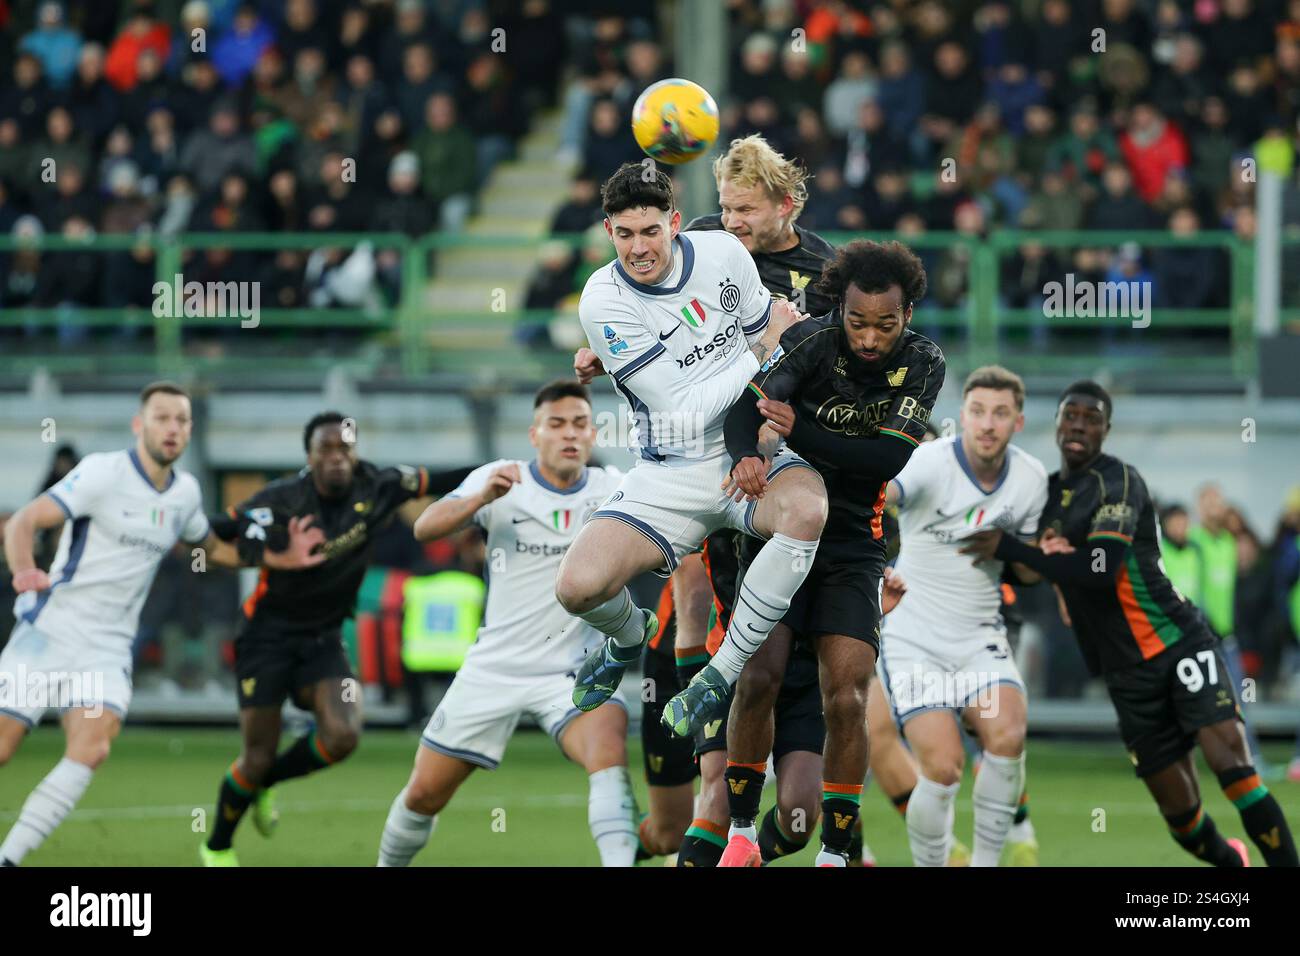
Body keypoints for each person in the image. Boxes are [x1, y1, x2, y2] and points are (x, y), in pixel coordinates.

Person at [962, 382, 1298, 867]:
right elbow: (1028, 573)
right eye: (1070, 415)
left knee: (1234, 769)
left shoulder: (1119, 481)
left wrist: (1013, 548)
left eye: (1091, 417)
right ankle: (1233, 864)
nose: (1079, 424)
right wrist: (1025, 558)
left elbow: (1101, 567)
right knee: (1182, 821)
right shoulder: (1046, 496)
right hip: (1124, 672)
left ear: (1107, 429)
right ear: (1057, 424)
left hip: (1178, 642)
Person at [0, 382, 322, 867]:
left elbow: (213, 547)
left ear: (189, 431)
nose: (172, 428)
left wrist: (281, 559)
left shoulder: (186, 494)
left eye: (182, 421)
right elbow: (24, 520)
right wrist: (24, 569)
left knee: (92, 747)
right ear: (140, 425)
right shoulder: (101, 474)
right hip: (52, 629)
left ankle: (9, 857)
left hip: (107, 648)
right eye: (162, 418)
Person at [559, 161, 826, 740]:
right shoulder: (602, 299)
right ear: (609, 233)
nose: (639, 248)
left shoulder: (725, 255)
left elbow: (764, 329)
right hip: (671, 469)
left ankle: (719, 674)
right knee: (576, 588)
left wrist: (769, 352)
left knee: (808, 510)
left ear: (674, 223)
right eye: (624, 234)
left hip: (751, 447)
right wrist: (764, 354)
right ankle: (629, 634)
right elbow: (681, 409)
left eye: (650, 231)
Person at [720, 238, 945, 865]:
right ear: (839, 310)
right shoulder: (814, 340)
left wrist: (803, 430)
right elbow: (750, 402)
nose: (869, 338)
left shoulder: (925, 363)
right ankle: (740, 834)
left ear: (908, 314)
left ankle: (837, 852)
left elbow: (883, 459)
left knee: (847, 693)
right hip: (785, 530)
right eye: (857, 321)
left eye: (885, 324)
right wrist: (745, 454)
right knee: (759, 676)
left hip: (852, 544)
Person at [376, 381, 636, 866]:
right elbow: (425, 526)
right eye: (556, 424)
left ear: (593, 433)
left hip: (573, 672)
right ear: (535, 433)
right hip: (493, 668)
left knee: (609, 758)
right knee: (424, 795)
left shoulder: (614, 488)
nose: (569, 434)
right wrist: (476, 501)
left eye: (579, 424)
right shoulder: (502, 478)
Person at [198, 412, 472, 866]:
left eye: (345, 448)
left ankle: (268, 783)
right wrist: (278, 558)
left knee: (343, 735)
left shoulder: (378, 485)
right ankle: (218, 845)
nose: (337, 458)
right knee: (256, 755)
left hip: (324, 637)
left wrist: (507, 471)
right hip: (266, 638)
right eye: (326, 449)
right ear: (310, 457)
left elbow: (441, 479)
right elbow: (208, 538)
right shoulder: (281, 501)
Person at [879, 366, 1047, 867]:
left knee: (1009, 735)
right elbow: (877, 499)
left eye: (1000, 413)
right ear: (963, 417)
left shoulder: (1031, 479)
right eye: (978, 412)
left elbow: (1029, 572)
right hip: (914, 639)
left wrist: (1025, 552)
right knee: (944, 768)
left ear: (1018, 420)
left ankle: (987, 863)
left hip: (979, 637)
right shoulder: (928, 463)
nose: (988, 424)